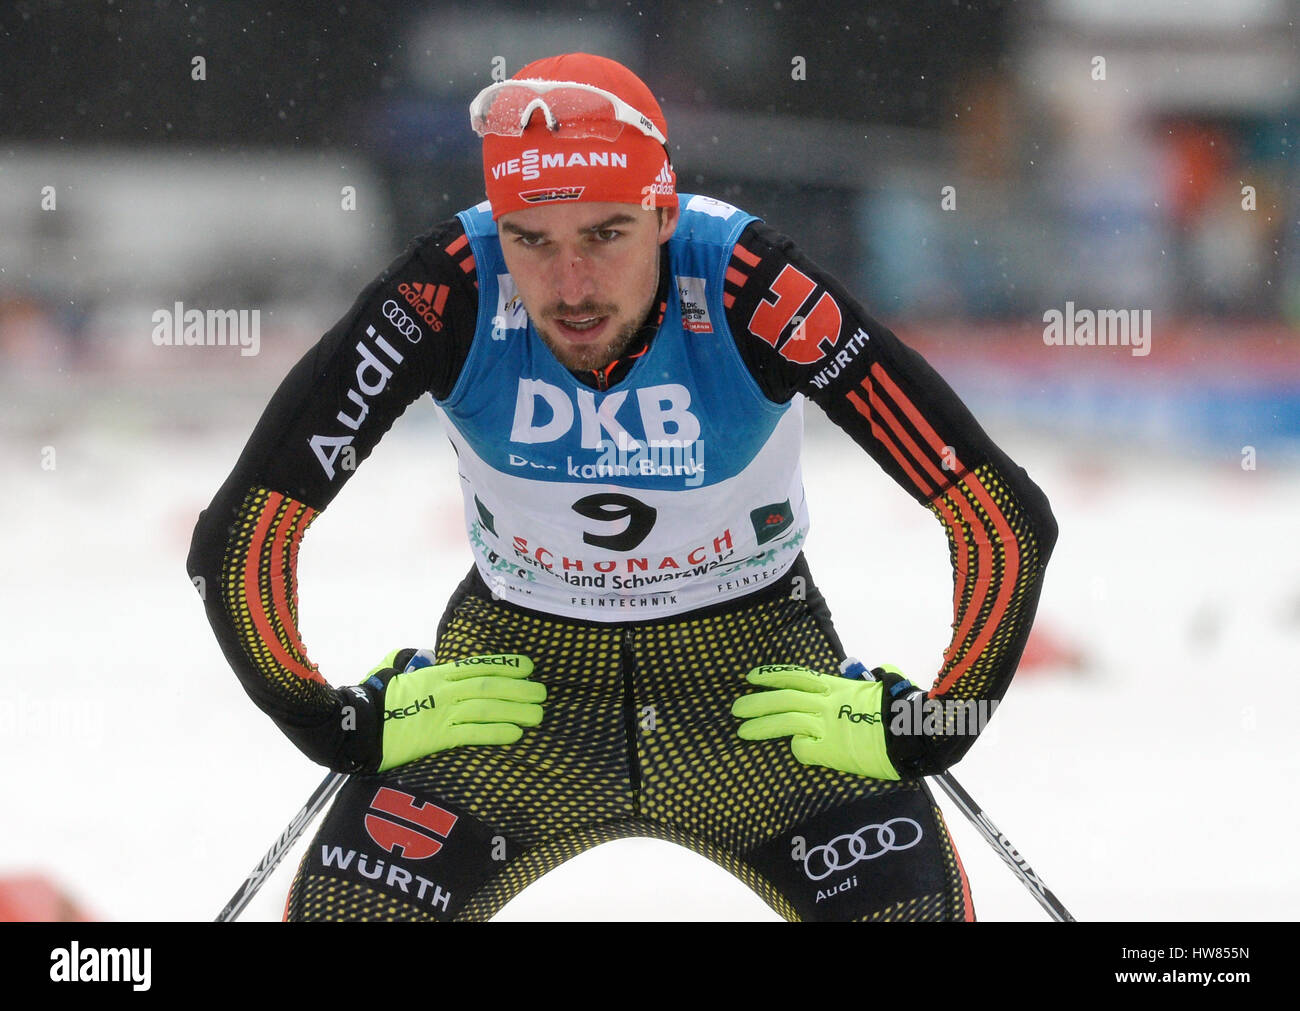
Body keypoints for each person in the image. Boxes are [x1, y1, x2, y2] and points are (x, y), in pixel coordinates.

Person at [187, 52, 1057, 922]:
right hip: (515, 693)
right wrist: (334, 722)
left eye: (607, 235)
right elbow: (243, 534)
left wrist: (935, 725)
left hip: (754, 690)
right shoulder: (447, 285)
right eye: (531, 239)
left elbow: (998, 515)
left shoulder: (750, 284)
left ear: (663, 212)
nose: (571, 288)